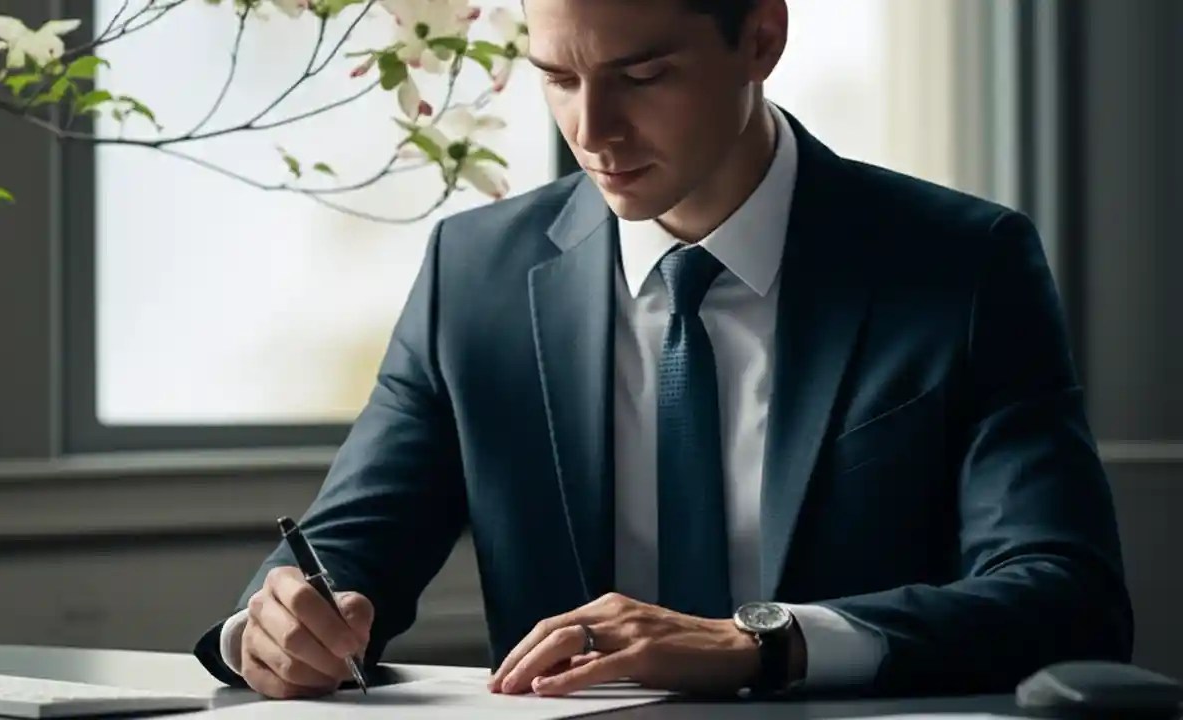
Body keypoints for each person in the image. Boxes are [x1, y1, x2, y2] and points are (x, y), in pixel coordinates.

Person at [193, 0, 1133, 700]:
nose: (591, 132)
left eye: (641, 77)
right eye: (558, 78)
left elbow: (1065, 595)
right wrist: (273, 629)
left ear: (761, 39)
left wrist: (766, 642)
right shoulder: (472, 277)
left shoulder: (962, 264)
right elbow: (341, 558)